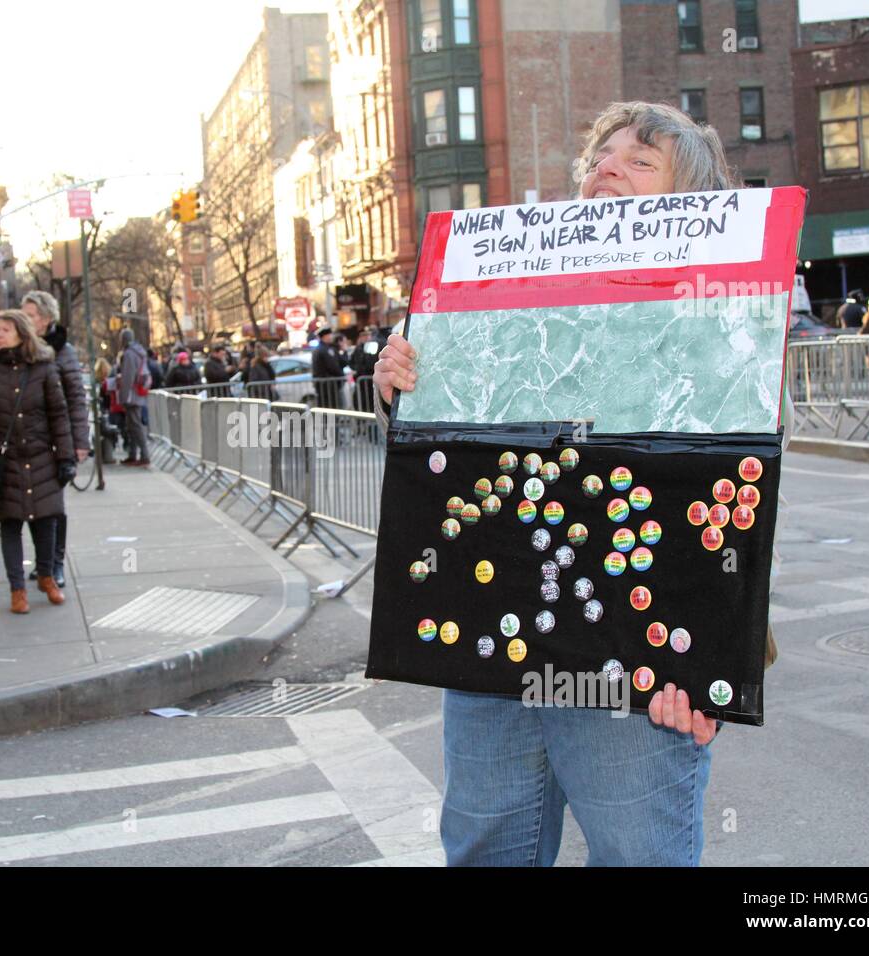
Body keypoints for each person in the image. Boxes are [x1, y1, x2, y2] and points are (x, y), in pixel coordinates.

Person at [373, 100, 792, 867]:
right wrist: (404, 386)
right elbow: (447, 451)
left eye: (641, 160)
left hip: (633, 658)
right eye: (603, 154)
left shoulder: (726, 320)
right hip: (495, 647)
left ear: (690, 206)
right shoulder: (500, 300)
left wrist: (711, 666)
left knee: (637, 855)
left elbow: (736, 497)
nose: (609, 166)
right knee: (485, 849)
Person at [0, 309, 75, 613]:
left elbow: (58, 414)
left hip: (40, 455)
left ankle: (46, 576)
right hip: (3, 459)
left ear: (22, 334)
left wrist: (65, 455)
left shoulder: (43, 368)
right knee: (10, 524)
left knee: (45, 520)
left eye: (6, 329)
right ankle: (17, 588)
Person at [21, 290, 91, 589]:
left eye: (30, 315)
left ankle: (55, 564)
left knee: (53, 505)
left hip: (56, 439)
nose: (25, 320)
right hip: (27, 440)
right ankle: (43, 563)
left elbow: (76, 398)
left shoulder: (64, 352)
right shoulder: (20, 350)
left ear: (46, 319)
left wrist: (80, 442)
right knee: (30, 506)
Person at [117, 329, 152, 466]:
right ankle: (133, 454)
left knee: (135, 425)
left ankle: (143, 455)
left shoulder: (130, 354)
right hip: (136, 393)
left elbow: (128, 377)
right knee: (132, 425)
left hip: (132, 394)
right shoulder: (138, 353)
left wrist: (123, 396)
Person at [311, 326, 344, 408]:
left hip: (325, 384)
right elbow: (333, 366)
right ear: (325, 336)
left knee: (326, 408)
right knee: (331, 407)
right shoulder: (325, 350)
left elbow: (342, 362)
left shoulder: (324, 348)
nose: (332, 336)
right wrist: (341, 375)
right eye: (330, 334)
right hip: (328, 385)